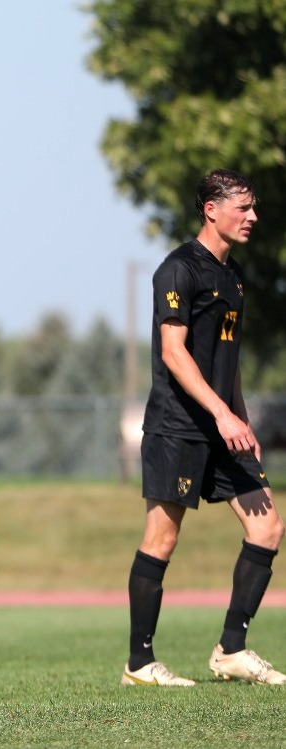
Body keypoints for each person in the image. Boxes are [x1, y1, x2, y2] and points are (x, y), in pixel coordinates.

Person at [122, 169, 286, 687]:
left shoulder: (234, 277)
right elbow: (174, 354)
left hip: (223, 426)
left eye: (254, 207)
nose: (253, 217)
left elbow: (229, 359)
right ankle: (139, 664)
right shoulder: (177, 270)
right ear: (211, 209)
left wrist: (239, 415)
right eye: (244, 207)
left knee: (267, 526)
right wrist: (220, 413)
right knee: (162, 538)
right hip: (178, 427)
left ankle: (231, 651)